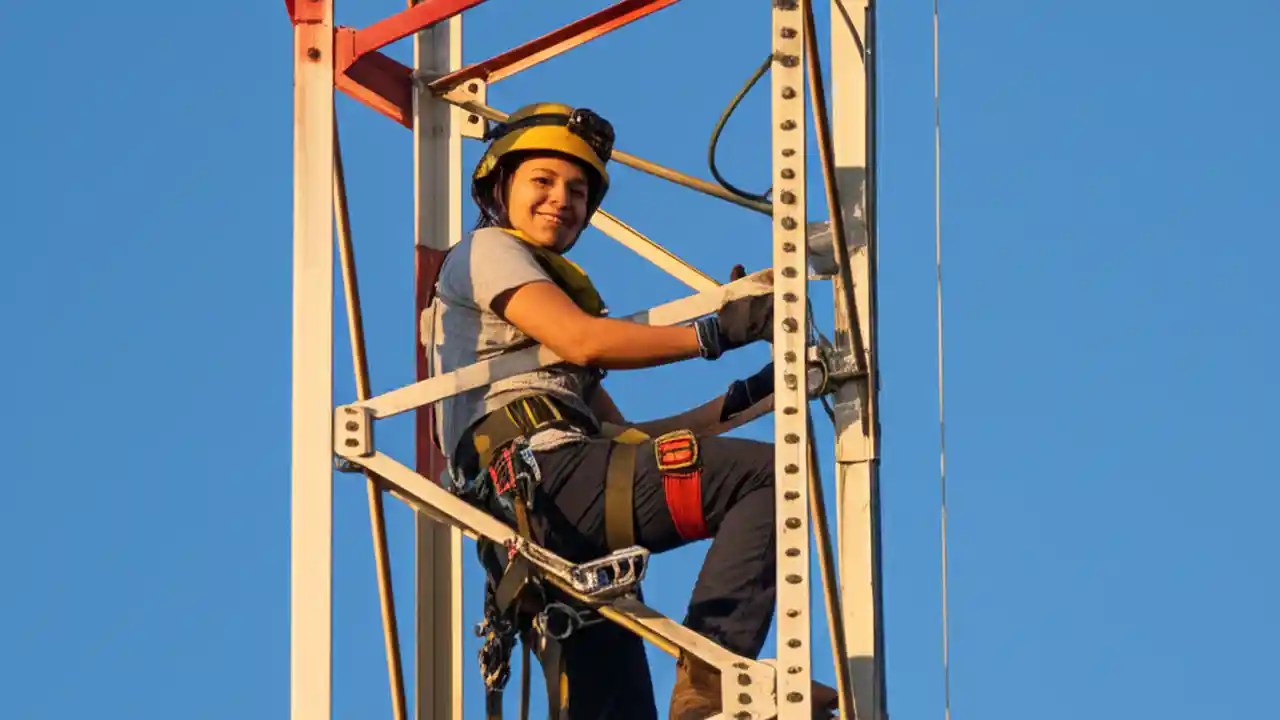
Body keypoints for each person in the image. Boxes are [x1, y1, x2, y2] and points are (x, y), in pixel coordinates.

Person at [427, 102, 833, 719]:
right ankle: (713, 671)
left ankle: (709, 686)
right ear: (500, 185)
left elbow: (631, 439)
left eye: (578, 190)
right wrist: (714, 333)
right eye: (543, 181)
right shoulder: (485, 251)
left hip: (561, 511)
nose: (561, 199)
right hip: (549, 485)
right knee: (772, 478)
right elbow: (586, 339)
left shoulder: (544, 356)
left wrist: (745, 395)